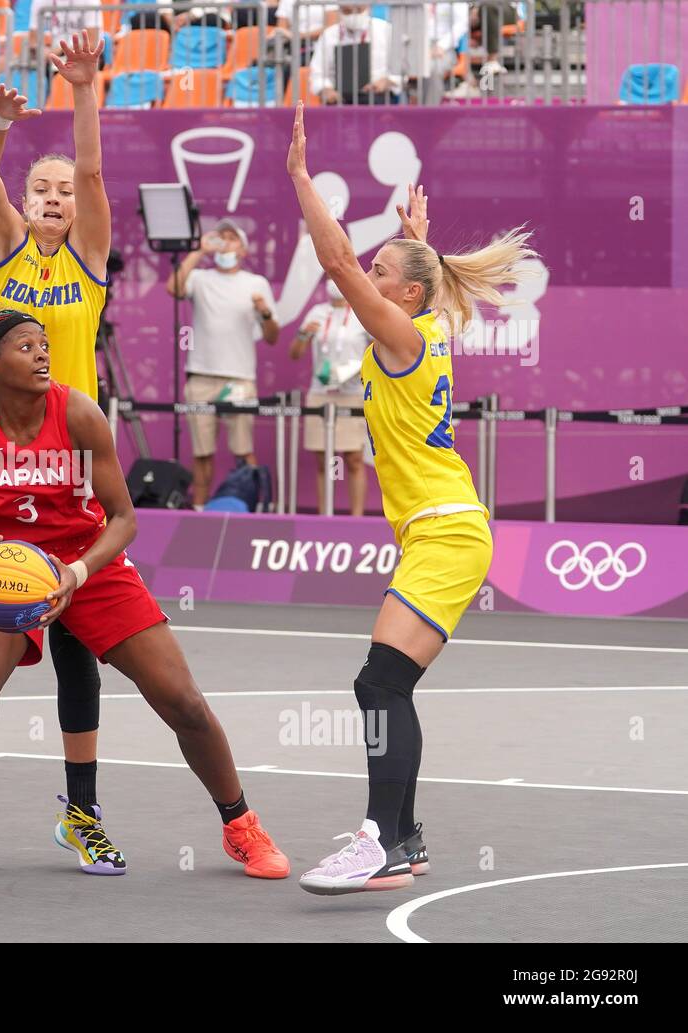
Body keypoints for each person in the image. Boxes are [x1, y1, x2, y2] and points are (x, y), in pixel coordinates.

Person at [0, 304, 289, 900]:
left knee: (183, 700)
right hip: (6, 568)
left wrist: (76, 571)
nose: (42, 353)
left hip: (86, 564)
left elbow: (124, 519)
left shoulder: (78, 412)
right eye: (26, 347)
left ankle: (241, 826)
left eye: (44, 344)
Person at [287, 103, 536, 893]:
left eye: (383, 270)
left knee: (378, 684)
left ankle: (378, 840)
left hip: (447, 531)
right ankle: (404, 839)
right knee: (385, 684)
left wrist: (300, 179)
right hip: (440, 530)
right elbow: (394, 272)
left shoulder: (403, 333)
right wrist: (418, 235)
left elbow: (336, 265)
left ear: (408, 291)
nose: (370, 272)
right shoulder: (421, 328)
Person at [0, 28, 119, 877]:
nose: (55, 197)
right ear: (26, 199)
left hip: (73, 473)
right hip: (1, 471)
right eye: (41, 189)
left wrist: (83, 90)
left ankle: (80, 812)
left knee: (76, 654)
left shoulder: (89, 261)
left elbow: (92, 175)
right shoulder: (1, 248)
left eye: (63, 191)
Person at [166, 219, 279, 508]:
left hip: (239, 378)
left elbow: (272, 337)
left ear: (243, 249)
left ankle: (253, 510)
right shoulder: (201, 278)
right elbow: (173, 288)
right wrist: (198, 252)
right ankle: (199, 510)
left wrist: (265, 313)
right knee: (202, 452)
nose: (225, 242)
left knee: (244, 450)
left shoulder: (256, 283)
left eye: (232, 238)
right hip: (201, 375)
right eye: (221, 237)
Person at [291, 276, 371, 515]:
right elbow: (295, 353)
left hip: (352, 392)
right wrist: (304, 335)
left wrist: (356, 368)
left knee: (354, 458)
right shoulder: (317, 311)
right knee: (322, 460)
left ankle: (356, 518)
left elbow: (379, 351)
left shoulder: (362, 312)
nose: (336, 283)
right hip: (321, 392)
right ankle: (324, 515)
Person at [308, 4, 401, 105]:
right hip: (339, 97)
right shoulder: (329, 35)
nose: (353, 15)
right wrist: (326, 89)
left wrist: (387, 81)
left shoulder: (386, 29)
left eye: (358, 10)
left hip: (378, 97)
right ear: (340, 10)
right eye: (348, 11)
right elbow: (317, 73)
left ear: (368, 7)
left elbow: (402, 70)